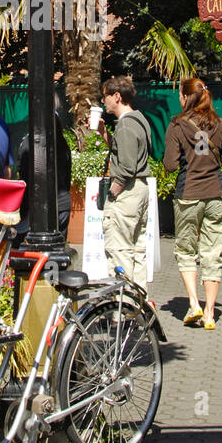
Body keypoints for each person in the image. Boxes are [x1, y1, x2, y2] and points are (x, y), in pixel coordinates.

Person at [163, 77, 222, 329]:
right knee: (212, 253)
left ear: (185, 97)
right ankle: (210, 312)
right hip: (216, 194)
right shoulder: (221, 124)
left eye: (180, 95)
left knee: (186, 251)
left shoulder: (177, 125)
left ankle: (193, 303)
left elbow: (170, 165)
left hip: (188, 194)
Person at [101, 75, 153, 286]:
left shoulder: (125, 126)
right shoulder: (139, 120)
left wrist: (113, 191)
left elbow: (126, 166)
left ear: (117, 96)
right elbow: (125, 152)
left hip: (127, 192)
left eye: (105, 97)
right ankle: (139, 307)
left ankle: (122, 308)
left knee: (120, 251)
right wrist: (104, 135)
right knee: (137, 250)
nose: (103, 101)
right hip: (141, 188)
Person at [14, 96, 72, 237]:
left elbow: (26, 176)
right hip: (62, 204)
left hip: (37, 208)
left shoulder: (30, 143)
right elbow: (67, 174)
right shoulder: (62, 142)